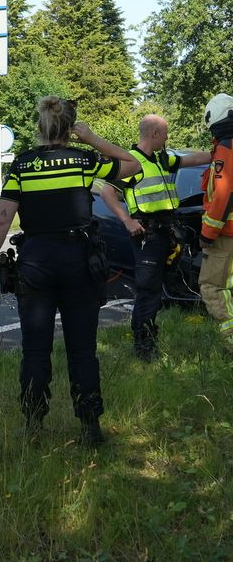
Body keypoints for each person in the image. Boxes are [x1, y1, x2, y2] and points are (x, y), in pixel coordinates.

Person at [0, 97, 140, 445]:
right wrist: (93, 139)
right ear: (70, 129)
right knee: (82, 350)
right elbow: (133, 165)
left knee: (35, 349)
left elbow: (3, 216)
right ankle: (90, 428)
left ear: (40, 127)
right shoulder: (84, 161)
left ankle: (33, 425)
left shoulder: (22, 165)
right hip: (79, 260)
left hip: (35, 261)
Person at [100, 115, 211, 361]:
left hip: (166, 232)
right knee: (148, 291)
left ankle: (151, 337)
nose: (168, 137)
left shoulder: (162, 159)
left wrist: (220, 149)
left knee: (166, 288)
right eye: (166, 133)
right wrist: (127, 221)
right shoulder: (132, 162)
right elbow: (107, 193)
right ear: (154, 134)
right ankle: (144, 347)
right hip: (147, 236)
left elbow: (194, 159)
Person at [198, 93, 233, 351]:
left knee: (212, 287)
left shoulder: (226, 149)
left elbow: (222, 195)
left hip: (225, 235)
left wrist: (207, 234)